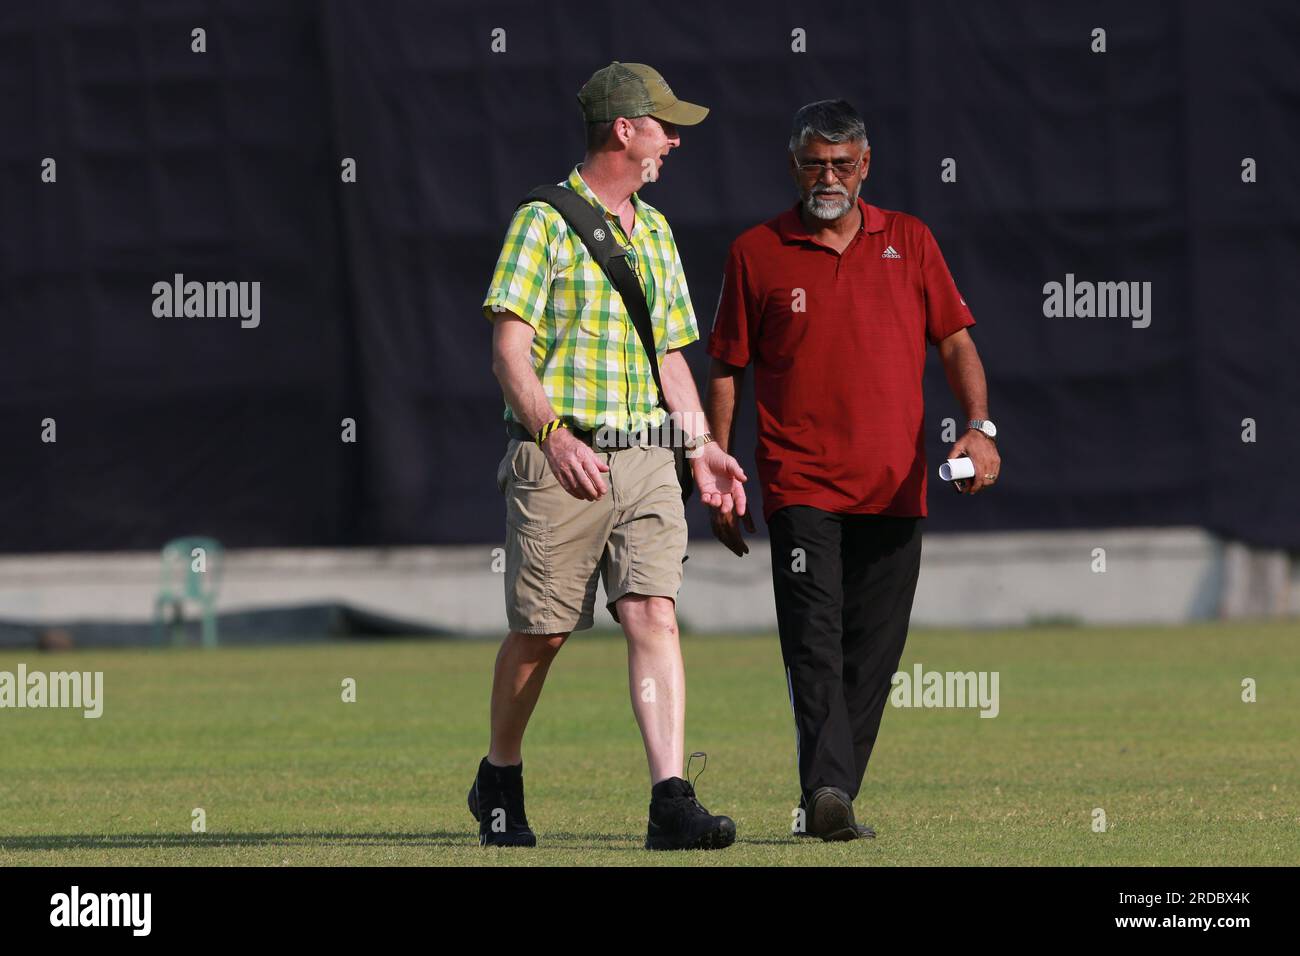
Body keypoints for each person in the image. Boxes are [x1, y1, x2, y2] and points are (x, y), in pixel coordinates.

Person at [704, 99, 1001, 841]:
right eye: (814, 163)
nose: (828, 176)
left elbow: (957, 342)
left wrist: (980, 429)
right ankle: (829, 791)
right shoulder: (756, 251)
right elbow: (727, 368)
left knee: (872, 656)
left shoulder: (912, 240)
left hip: (897, 487)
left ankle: (827, 799)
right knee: (813, 640)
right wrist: (718, 465)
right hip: (800, 485)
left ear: (865, 165)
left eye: (842, 163)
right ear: (794, 165)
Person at [472, 61, 748, 850]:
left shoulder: (655, 230)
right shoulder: (543, 222)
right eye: (664, 126)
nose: (674, 141)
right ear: (623, 131)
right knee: (544, 634)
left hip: (649, 457)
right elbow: (508, 353)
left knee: (653, 613)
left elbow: (669, 359)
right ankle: (500, 772)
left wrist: (701, 451)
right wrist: (553, 436)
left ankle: (670, 799)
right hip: (563, 458)